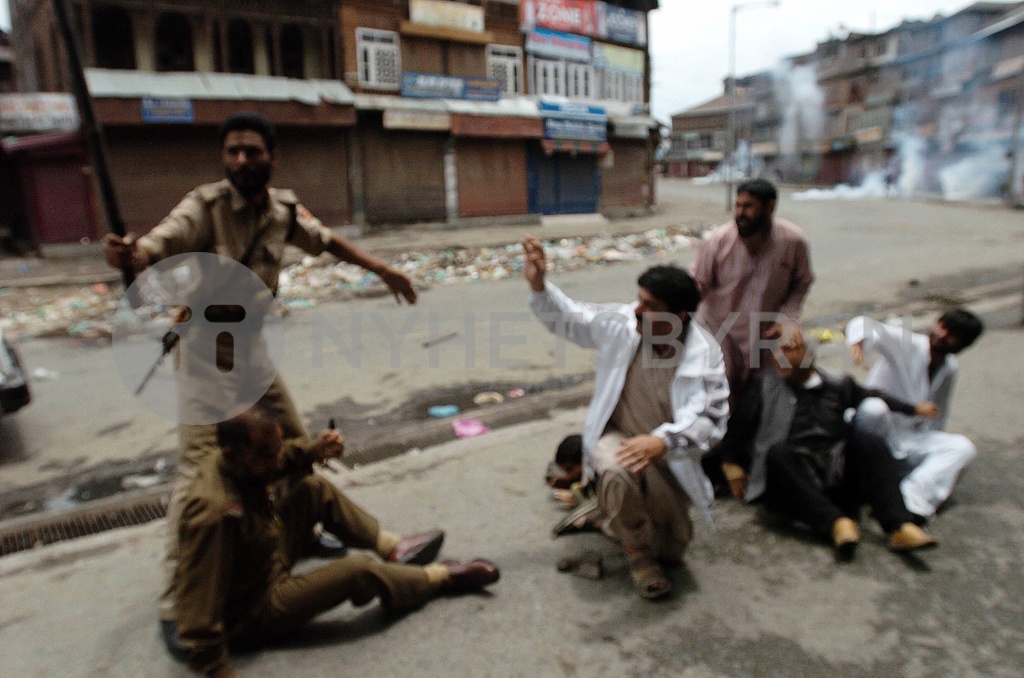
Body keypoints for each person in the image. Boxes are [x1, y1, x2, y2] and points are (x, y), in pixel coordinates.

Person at [102, 112, 420, 646]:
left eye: (252, 151)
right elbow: (159, 244)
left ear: (272, 157)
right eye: (232, 152)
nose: (241, 160)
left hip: (253, 351)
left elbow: (328, 242)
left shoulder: (283, 211)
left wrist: (382, 269)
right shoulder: (204, 207)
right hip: (205, 357)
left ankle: (292, 533)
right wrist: (132, 257)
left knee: (294, 447)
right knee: (200, 475)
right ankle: (179, 597)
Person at [174, 402, 499, 677]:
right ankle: (439, 578)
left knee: (314, 489)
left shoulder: (239, 461)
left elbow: (282, 457)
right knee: (356, 570)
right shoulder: (214, 514)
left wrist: (314, 450)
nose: (276, 464)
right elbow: (197, 624)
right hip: (256, 610)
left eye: (275, 452)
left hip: (263, 558)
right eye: (266, 457)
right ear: (232, 456)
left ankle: (391, 547)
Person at [523, 235, 729, 599]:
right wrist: (540, 285)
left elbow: (711, 420)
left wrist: (663, 441)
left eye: (650, 306)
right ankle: (637, 556)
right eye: (639, 300)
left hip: (666, 458)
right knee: (618, 471)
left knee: (672, 552)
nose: (637, 310)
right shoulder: (624, 325)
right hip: (617, 438)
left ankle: (603, 517)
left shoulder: (703, 356)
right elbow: (573, 319)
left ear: (677, 316)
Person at [727, 325, 938, 560]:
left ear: (809, 354)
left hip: (834, 470)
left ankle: (900, 526)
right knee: (778, 453)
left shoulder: (838, 384)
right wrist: (729, 462)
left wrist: (914, 409)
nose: (778, 358)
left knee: (869, 442)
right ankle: (835, 523)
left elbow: (873, 396)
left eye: (788, 350)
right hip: (793, 478)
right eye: (774, 353)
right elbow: (738, 426)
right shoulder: (766, 387)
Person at [690, 178, 814, 492]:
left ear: (770, 207)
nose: (741, 213)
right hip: (721, 331)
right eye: (738, 205)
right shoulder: (720, 240)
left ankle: (745, 461)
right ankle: (710, 464)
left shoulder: (793, 241)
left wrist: (788, 319)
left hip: (766, 332)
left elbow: (801, 283)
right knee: (718, 392)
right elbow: (697, 285)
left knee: (761, 397)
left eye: (749, 206)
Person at [845, 309, 984, 521]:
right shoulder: (907, 343)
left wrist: (931, 451)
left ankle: (910, 502)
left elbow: (939, 412)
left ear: (963, 345)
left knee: (962, 448)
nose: (943, 335)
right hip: (875, 432)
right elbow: (863, 323)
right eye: (942, 326)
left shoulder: (949, 369)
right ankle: (863, 480)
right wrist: (857, 341)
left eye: (952, 334)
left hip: (908, 438)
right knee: (874, 408)